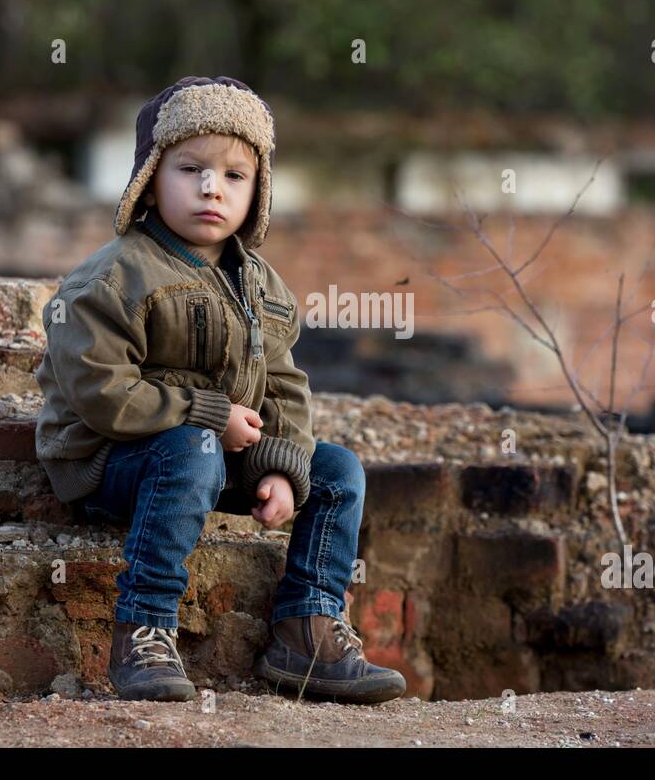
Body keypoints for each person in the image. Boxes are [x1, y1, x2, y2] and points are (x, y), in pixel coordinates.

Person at [34, 76, 406, 705]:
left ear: (257, 191)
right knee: (193, 451)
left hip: (209, 454)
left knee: (338, 470)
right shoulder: (113, 276)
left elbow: (284, 385)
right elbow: (102, 393)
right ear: (151, 177)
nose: (213, 187)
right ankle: (145, 630)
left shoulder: (260, 284)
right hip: (109, 461)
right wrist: (207, 416)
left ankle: (306, 629)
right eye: (191, 169)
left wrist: (283, 466)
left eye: (236, 176)